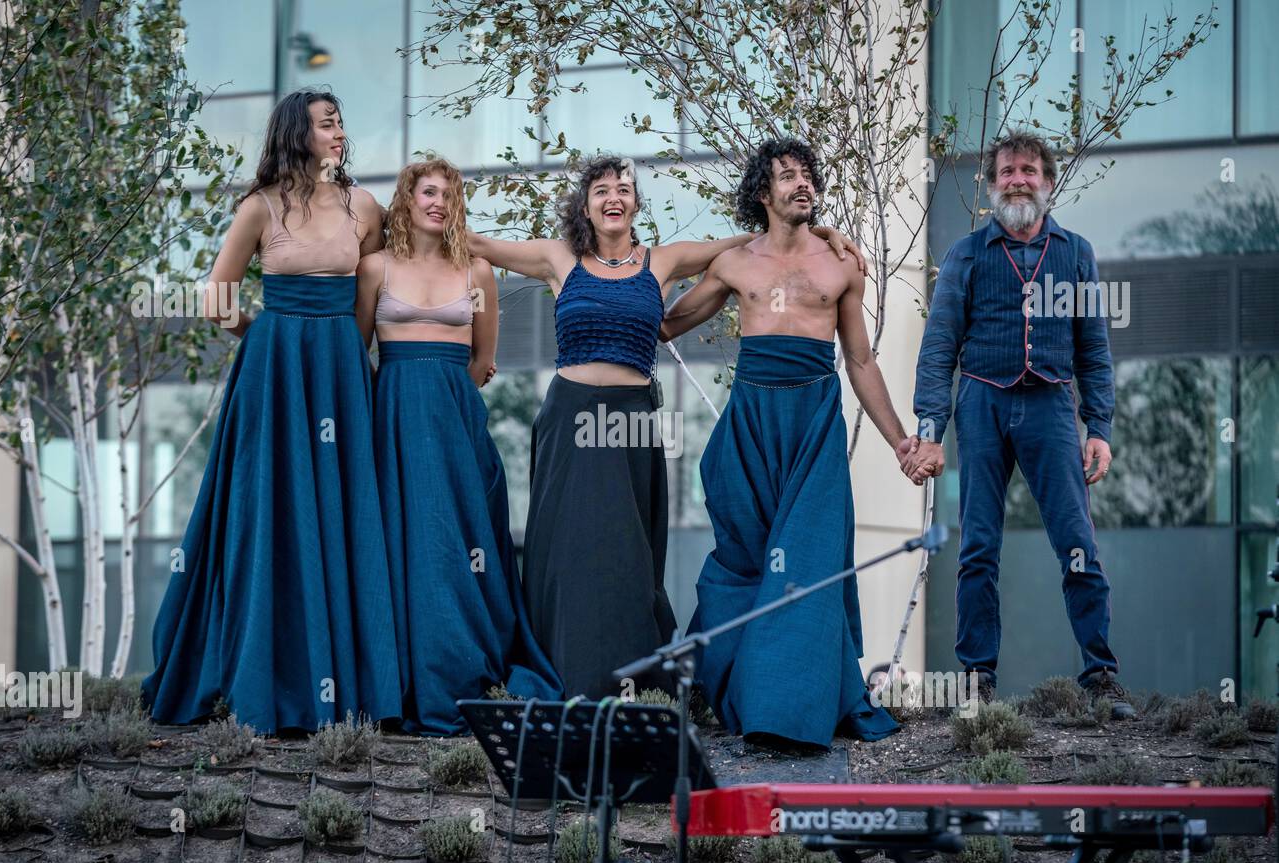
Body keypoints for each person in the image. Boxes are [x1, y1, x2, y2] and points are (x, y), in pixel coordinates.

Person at [466, 154, 864, 699]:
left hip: (632, 421)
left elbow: (754, 242)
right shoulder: (558, 257)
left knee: (629, 554)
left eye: (624, 190)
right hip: (569, 418)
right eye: (602, 189)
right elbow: (477, 245)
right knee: (567, 549)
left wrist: (819, 229)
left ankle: (628, 685)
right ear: (585, 204)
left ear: (635, 205)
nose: (614, 197)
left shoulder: (662, 260)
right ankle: (564, 675)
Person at [142, 90, 403, 735]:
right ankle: (257, 675)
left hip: (341, 369)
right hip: (276, 373)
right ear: (297, 133)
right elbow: (218, 300)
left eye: (341, 121)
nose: (339, 131)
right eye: (325, 123)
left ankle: (350, 683)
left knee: (341, 513)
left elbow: (389, 279)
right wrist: (272, 341)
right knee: (271, 511)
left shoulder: (365, 207)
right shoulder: (258, 208)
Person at [660, 137, 911, 751]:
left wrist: (902, 442)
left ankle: (784, 709)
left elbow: (859, 358)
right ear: (763, 193)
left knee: (807, 562)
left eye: (808, 176)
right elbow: (665, 323)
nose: (803, 184)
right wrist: (602, 295)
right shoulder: (734, 264)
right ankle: (726, 676)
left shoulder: (840, 264)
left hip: (814, 421)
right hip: (751, 424)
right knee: (748, 560)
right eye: (788, 176)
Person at [907, 129, 1134, 718]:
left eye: (1029, 170)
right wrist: (930, 424)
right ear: (992, 185)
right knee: (978, 545)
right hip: (981, 403)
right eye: (1007, 171)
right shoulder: (966, 253)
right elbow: (939, 346)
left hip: (1053, 407)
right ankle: (977, 678)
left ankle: (1101, 674)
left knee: (1077, 543)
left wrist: (1099, 426)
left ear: (1047, 182)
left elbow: (1095, 347)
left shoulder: (1076, 252)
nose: (1018, 179)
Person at [355, 156, 563, 734]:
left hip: (455, 422)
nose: (438, 202)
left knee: (460, 542)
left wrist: (440, 398)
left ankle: (462, 668)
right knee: (403, 542)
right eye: (427, 191)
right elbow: (356, 351)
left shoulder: (476, 273)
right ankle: (397, 679)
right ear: (407, 199)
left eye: (448, 194)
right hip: (391, 419)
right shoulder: (373, 268)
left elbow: (483, 360)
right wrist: (407, 398)